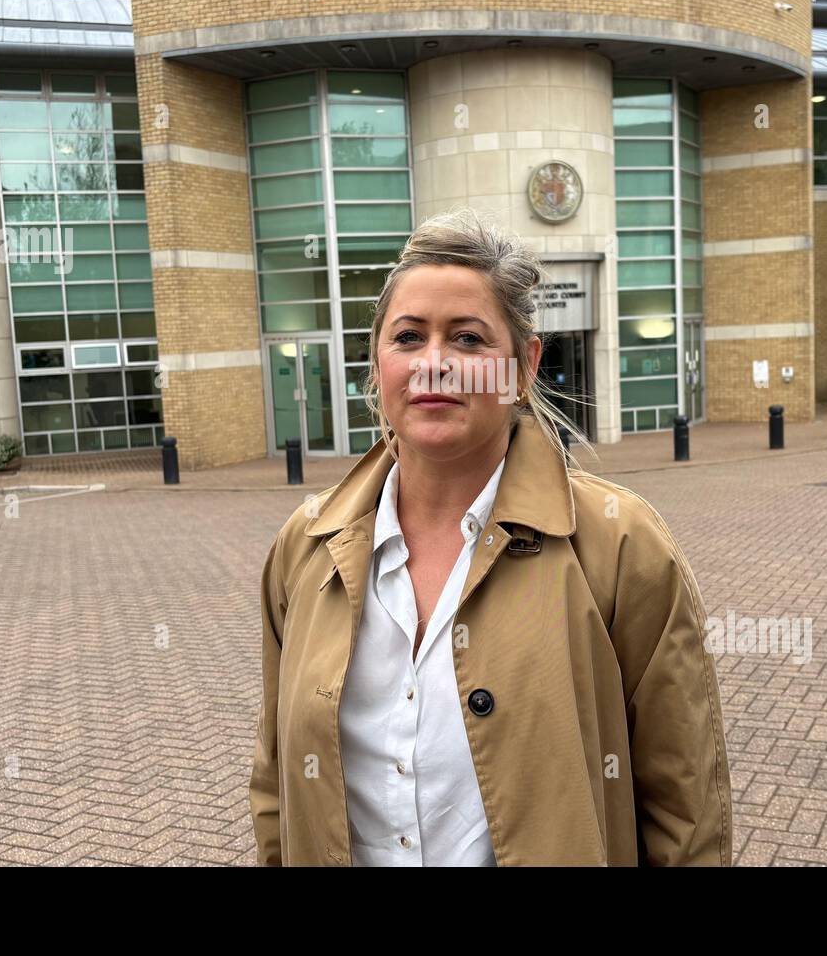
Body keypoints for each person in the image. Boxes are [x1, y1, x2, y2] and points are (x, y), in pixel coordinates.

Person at [249, 210, 732, 867]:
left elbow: (686, 809)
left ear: (523, 366)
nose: (435, 364)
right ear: (378, 362)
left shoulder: (619, 546)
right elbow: (278, 782)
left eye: (469, 340)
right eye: (409, 337)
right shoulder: (305, 548)